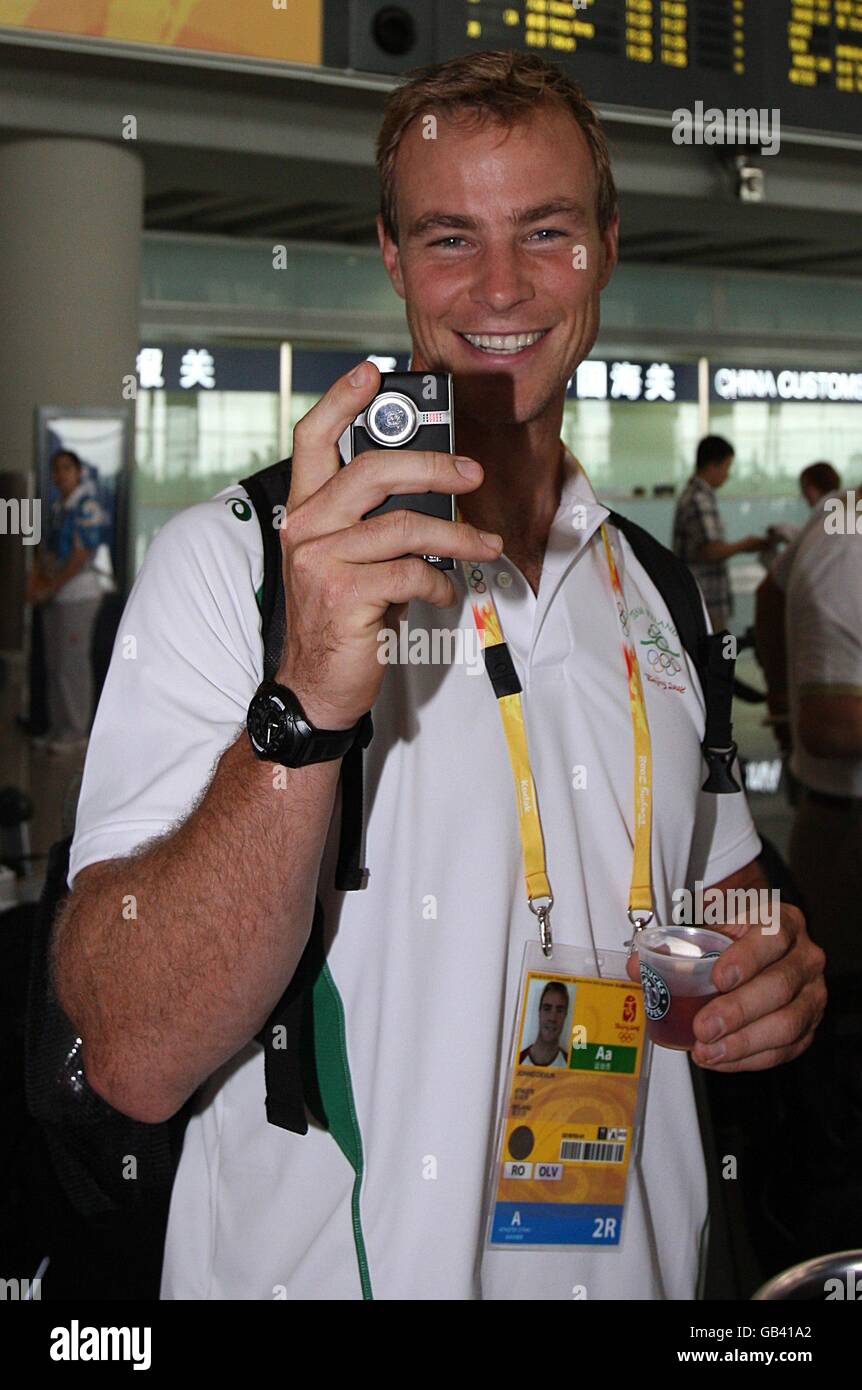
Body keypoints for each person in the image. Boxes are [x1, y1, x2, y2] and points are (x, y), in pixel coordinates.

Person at [55, 51, 825, 1302]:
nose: (503, 285)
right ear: (391, 256)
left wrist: (770, 968)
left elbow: (720, 894)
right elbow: (130, 1051)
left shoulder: (655, 587)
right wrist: (303, 699)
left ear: (608, 245)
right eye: (450, 236)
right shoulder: (237, 566)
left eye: (546, 231)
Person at [760, 487, 862, 993]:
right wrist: (789, 707)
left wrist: (781, 698)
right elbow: (832, 726)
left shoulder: (835, 517)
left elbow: (768, 591)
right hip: (848, 828)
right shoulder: (849, 545)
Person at [756, 461, 843, 753]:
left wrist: (777, 690)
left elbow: (768, 592)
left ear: (808, 486)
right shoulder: (839, 513)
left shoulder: (832, 516)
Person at [25, 450, 108, 754]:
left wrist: (52, 587)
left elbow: (81, 554)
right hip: (56, 597)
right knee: (55, 664)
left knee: (72, 665)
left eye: (66, 468)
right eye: (56, 470)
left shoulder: (87, 506)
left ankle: (75, 731)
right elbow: (49, 553)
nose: (60, 475)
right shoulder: (59, 508)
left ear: (78, 471)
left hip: (79, 597)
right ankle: (58, 728)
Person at [672, 436, 767, 632]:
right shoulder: (699, 499)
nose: (727, 475)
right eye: (726, 467)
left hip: (704, 597)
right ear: (712, 465)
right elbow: (711, 552)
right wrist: (745, 544)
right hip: (705, 597)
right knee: (714, 656)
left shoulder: (697, 495)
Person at [519, 982, 569, 1067]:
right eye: (547, 1008)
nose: (552, 1018)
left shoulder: (570, 1064)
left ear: (565, 1015)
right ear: (539, 1012)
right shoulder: (518, 1060)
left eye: (559, 1010)